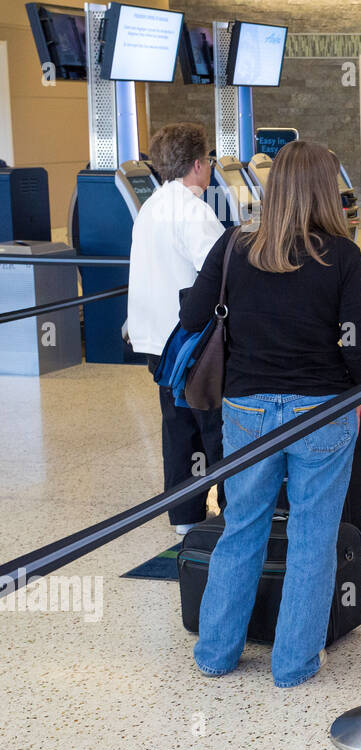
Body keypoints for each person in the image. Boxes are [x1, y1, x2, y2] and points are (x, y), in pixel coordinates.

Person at [180, 140, 361, 688]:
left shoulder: (235, 243)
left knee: (242, 527)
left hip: (245, 409)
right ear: (325, 189)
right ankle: (294, 663)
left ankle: (217, 653)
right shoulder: (342, 254)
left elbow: (194, 315)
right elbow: (356, 350)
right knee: (314, 536)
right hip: (321, 411)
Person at [126, 122, 226, 535]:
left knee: (177, 427)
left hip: (155, 338)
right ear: (199, 164)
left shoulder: (151, 206)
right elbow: (220, 271)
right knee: (213, 425)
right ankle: (231, 506)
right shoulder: (193, 210)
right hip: (190, 343)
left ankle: (184, 515)